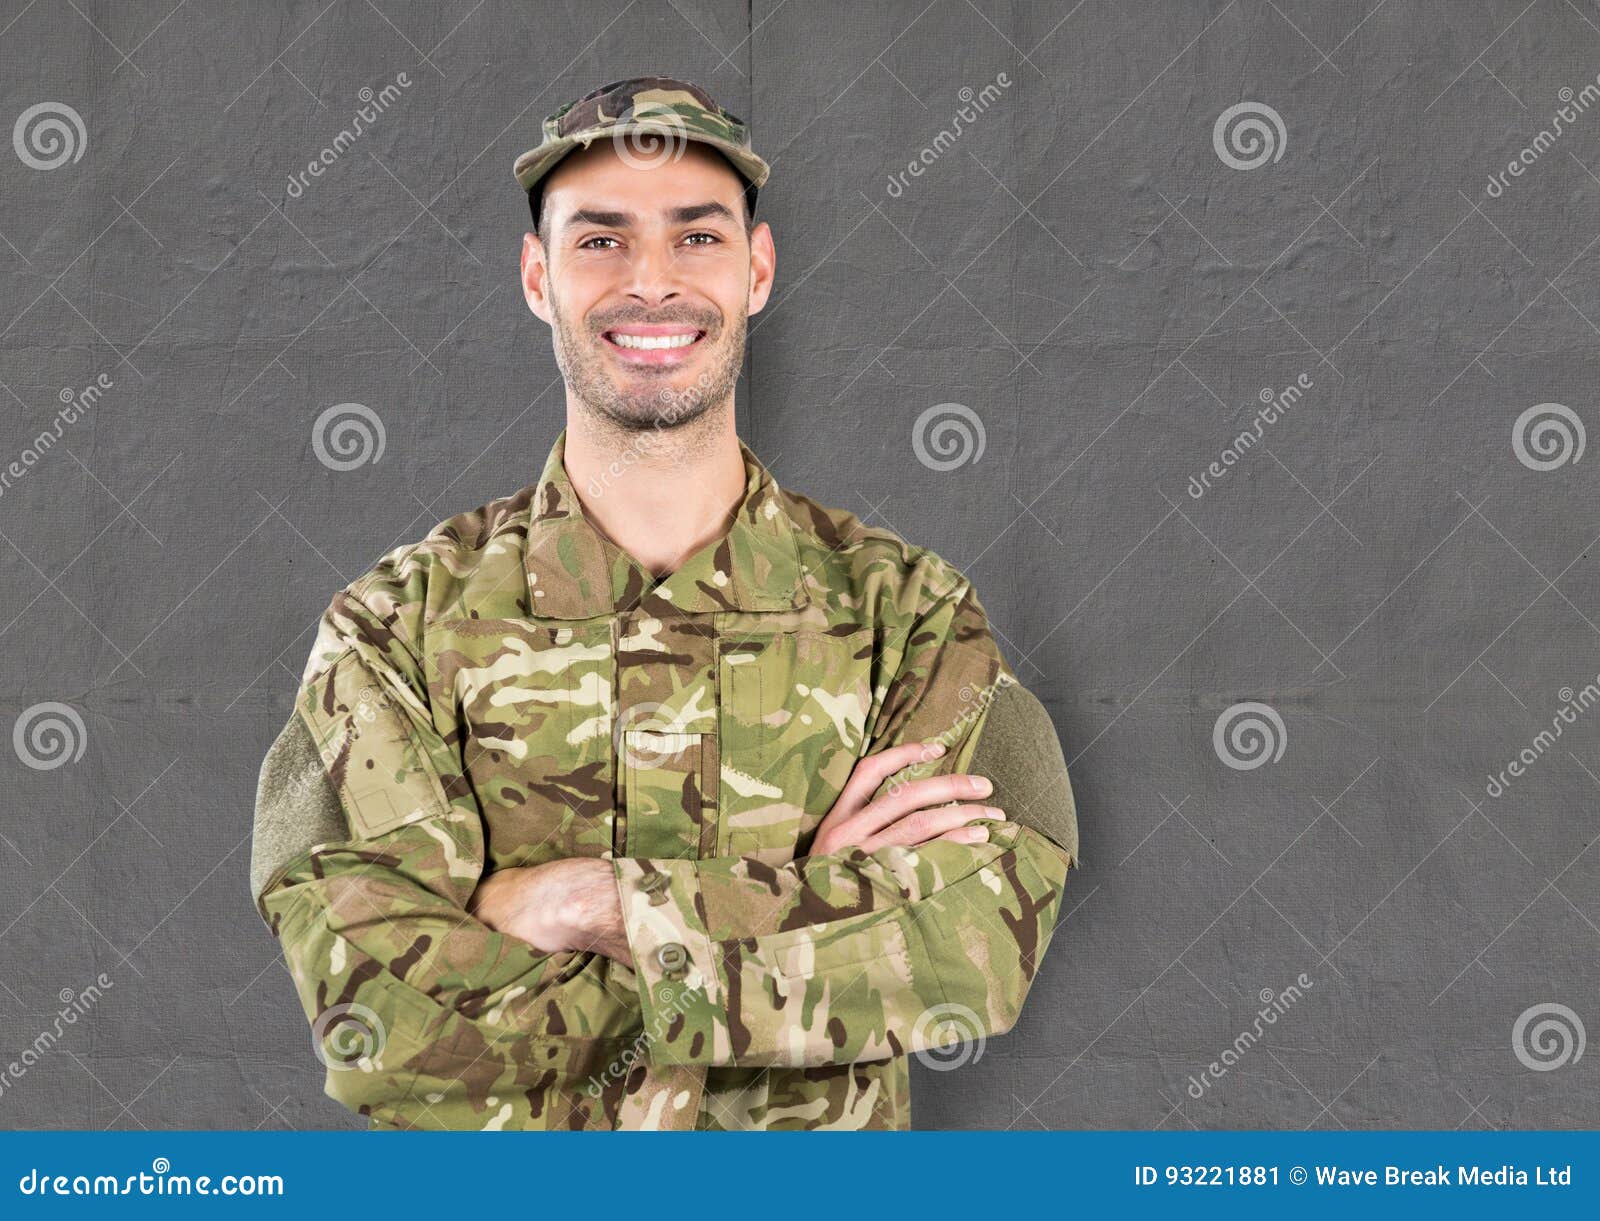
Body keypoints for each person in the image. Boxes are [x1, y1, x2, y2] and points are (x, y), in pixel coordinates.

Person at [249, 77, 1079, 1131]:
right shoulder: (394, 627)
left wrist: (575, 907)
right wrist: (798, 902)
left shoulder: (905, 615)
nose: (651, 283)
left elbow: (969, 955)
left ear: (757, 270)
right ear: (537, 276)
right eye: (600, 240)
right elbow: (371, 1015)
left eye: (696, 238)